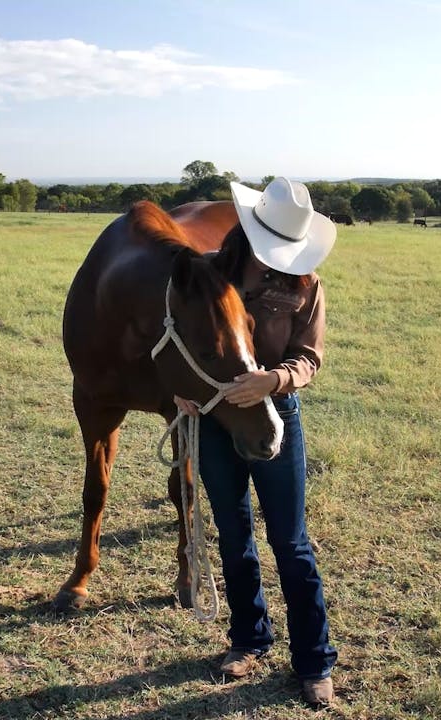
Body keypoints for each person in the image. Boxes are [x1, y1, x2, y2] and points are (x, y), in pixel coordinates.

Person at [174, 177, 338, 706]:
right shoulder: (205, 274)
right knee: (233, 533)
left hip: (275, 412)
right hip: (216, 418)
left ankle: (314, 660)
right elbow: (178, 341)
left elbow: (309, 357)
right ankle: (248, 639)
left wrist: (273, 380)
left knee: (290, 541)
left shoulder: (306, 285)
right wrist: (183, 390)